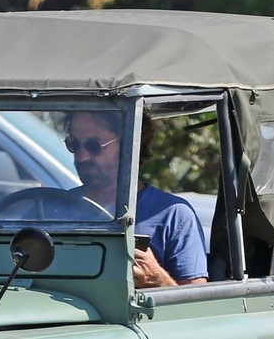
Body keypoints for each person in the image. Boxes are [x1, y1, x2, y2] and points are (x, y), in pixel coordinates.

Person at [65, 111, 208, 286]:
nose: (82, 156)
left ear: (129, 146)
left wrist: (159, 280)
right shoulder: (56, 208)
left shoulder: (173, 214)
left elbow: (197, 299)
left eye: (94, 145)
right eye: (74, 144)